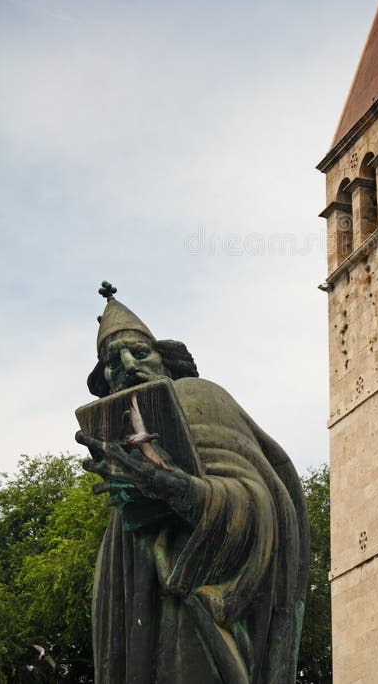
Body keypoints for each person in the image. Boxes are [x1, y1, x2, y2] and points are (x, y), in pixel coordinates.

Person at [76, 283, 309, 684]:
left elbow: (257, 501)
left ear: (165, 362)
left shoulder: (196, 396)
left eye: (140, 352)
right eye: (113, 362)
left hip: (197, 606)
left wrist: (176, 488)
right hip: (140, 607)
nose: (129, 365)